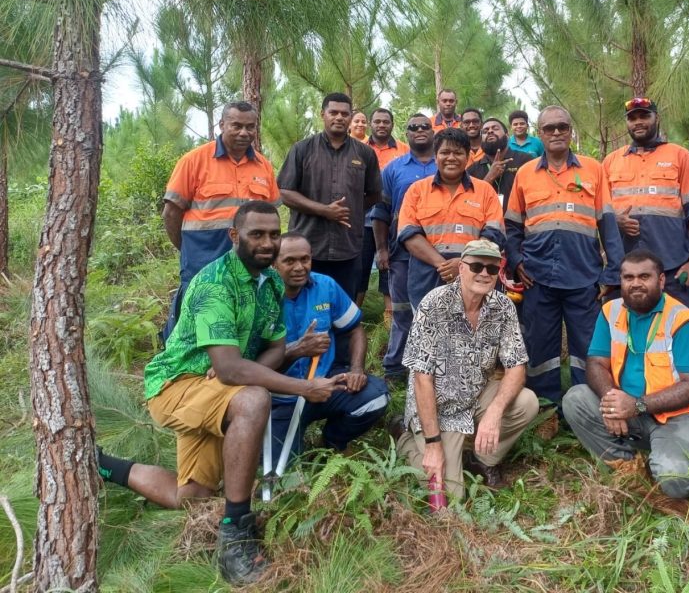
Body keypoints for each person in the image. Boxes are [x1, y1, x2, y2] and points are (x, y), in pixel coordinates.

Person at [97, 202, 345, 585]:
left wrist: (240, 367)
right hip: (176, 385)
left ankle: (99, 464)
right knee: (253, 398)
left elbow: (277, 348)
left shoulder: (272, 282)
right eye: (256, 234)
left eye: (273, 234)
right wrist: (301, 387)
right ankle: (236, 533)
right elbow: (231, 369)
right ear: (235, 236)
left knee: (191, 497)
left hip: (216, 390)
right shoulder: (215, 284)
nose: (267, 243)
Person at [505, 105, 624, 435]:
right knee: (540, 348)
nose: (556, 133)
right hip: (537, 278)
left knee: (588, 349)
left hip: (584, 276)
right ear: (539, 134)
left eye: (562, 127)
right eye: (549, 128)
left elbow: (608, 226)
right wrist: (517, 262)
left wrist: (611, 275)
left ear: (571, 131)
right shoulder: (525, 173)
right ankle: (546, 412)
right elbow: (512, 227)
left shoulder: (593, 170)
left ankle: (584, 411)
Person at [563, 250, 689, 500]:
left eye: (644, 276)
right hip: (630, 411)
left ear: (661, 281)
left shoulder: (684, 321)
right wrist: (612, 403)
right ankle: (630, 472)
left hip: (678, 417)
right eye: (628, 277)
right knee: (575, 398)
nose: (635, 283)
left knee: (673, 477)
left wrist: (635, 406)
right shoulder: (611, 311)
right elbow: (595, 363)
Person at [397, 240, 539, 500]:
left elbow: (517, 365)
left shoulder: (503, 307)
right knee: (452, 495)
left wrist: (494, 413)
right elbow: (422, 379)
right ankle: (407, 441)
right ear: (461, 268)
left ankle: (482, 457)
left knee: (527, 402)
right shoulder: (434, 305)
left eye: (492, 269)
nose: (484, 273)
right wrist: (433, 444)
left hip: (476, 395)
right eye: (476, 266)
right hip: (438, 410)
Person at [270, 233, 389, 466]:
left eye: (305, 259)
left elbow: (355, 330)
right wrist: (296, 350)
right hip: (280, 397)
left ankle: (332, 443)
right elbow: (253, 365)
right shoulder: (260, 297)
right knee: (282, 471)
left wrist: (356, 369)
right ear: (274, 264)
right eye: (289, 261)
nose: (299, 267)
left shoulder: (325, 286)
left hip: (325, 385)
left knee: (376, 398)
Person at [162, 101, 280, 334]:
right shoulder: (194, 161)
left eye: (250, 127)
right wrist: (187, 249)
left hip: (249, 262)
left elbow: (271, 215)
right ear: (222, 124)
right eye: (236, 126)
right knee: (197, 320)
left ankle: (234, 366)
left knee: (243, 319)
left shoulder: (263, 166)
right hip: (203, 258)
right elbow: (171, 212)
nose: (244, 132)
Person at [603, 97, 689, 308]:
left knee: (676, 329)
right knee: (623, 333)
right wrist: (616, 221)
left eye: (644, 116)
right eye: (632, 118)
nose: (638, 122)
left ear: (657, 118)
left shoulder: (680, 156)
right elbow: (599, 214)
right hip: (625, 269)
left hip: (671, 266)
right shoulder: (611, 161)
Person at [278, 92, 381, 301]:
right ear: (322, 114)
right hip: (307, 248)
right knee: (303, 305)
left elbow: (375, 194)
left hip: (348, 248)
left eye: (345, 113)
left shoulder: (365, 154)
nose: (339, 117)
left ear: (351, 117)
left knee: (342, 307)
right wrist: (324, 211)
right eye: (333, 112)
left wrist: (351, 208)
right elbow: (285, 192)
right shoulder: (302, 149)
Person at [397, 127, 505, 310]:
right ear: (435, 155)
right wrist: (444, 265)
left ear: (468, 156)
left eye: (458, 153)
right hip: (426, 282)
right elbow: (408, 234)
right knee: (431, 337)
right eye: (445, 152)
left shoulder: (485, 191)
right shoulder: (417, 190)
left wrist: (464, 264)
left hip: (476, 280)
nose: (451, 158)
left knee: (473, 337)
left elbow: (494, 233)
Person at [370, 113, 437, 380]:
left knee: (435, 310)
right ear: (406, 134)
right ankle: (395, 368)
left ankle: (431, 367)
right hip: (401, 254)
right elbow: (380, 212)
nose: (419, 130)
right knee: (401, 311)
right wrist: (382, 249)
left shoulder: (444, 165)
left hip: (437, 254)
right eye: (413, 127)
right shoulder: (393, 169)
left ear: (433, 131)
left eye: (425, 126)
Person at [356, 108, 409, 311]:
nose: (381, 125)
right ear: (371, 124)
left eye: (385, 122)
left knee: (390, 272)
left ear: (392, 125)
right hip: (362, 221)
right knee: (359, 272)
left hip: (391, 221)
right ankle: (353, 323)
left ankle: (389, 328)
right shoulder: (357, 148)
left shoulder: (403, 150)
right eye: (377, 121)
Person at [467, 117, 534, 213]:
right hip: (485, 225)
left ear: (507, 136)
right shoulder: (472, 170)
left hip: (519, 225)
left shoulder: (526, 161)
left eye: (495, 128)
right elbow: (469, 203)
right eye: (485, 131)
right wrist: (489, 178)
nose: (490, 131)